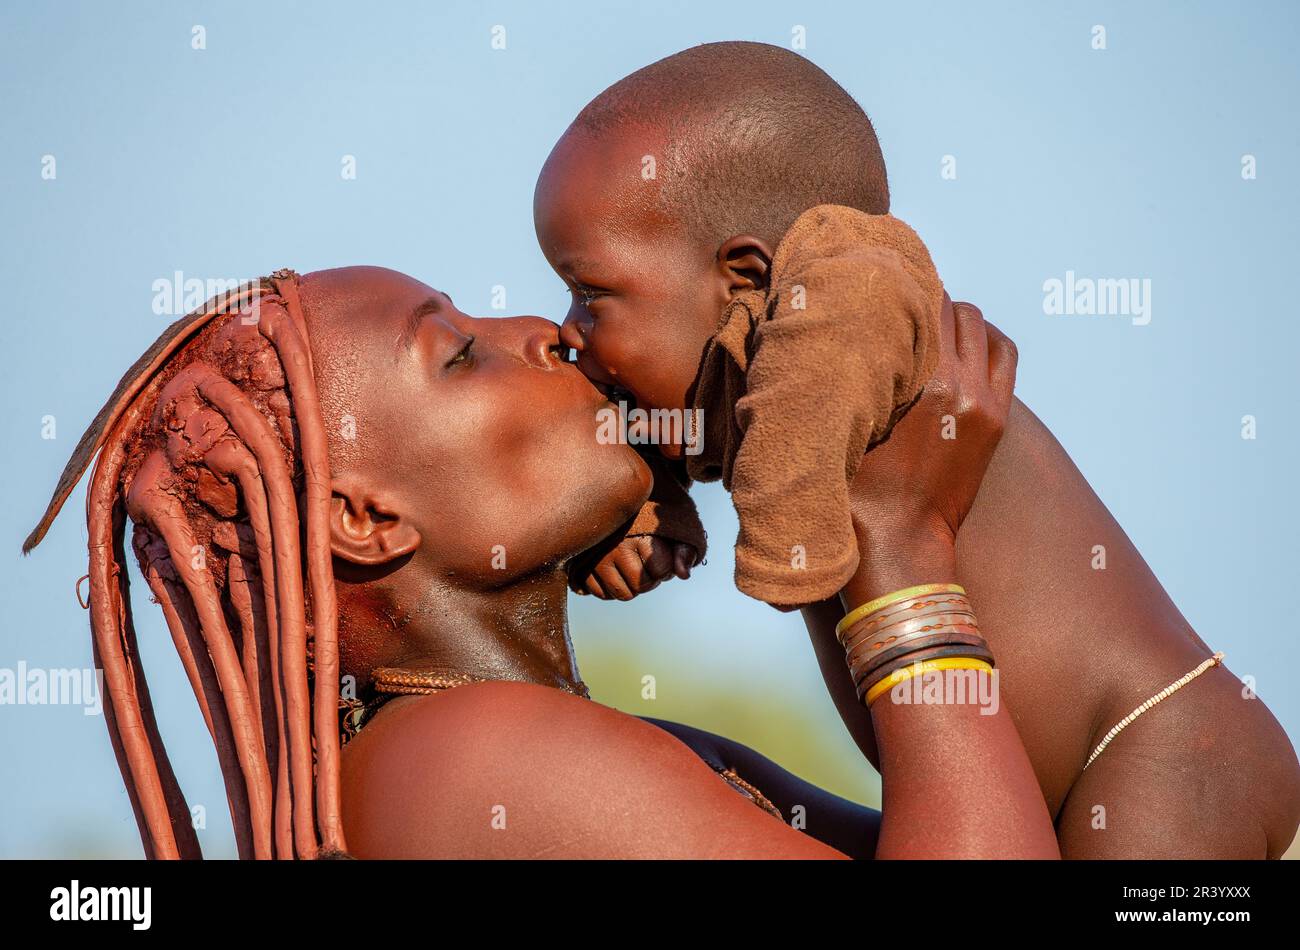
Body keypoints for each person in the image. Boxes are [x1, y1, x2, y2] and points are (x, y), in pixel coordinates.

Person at [532, 41, 1300, 857]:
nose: (570, 330)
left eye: (590, 292)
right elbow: (691, 438)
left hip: (1159, 750)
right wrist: (648, 509)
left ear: (746, 273)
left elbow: (799, 421)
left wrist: (778, 547)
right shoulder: (737, 368)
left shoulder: (852, 290)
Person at [25, 265, 1056, 858]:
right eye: (459, 352)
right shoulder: (471, 758)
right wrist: (902, 545)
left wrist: (796, 506)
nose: (540, 332)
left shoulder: (493, 741)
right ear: (361, 516)